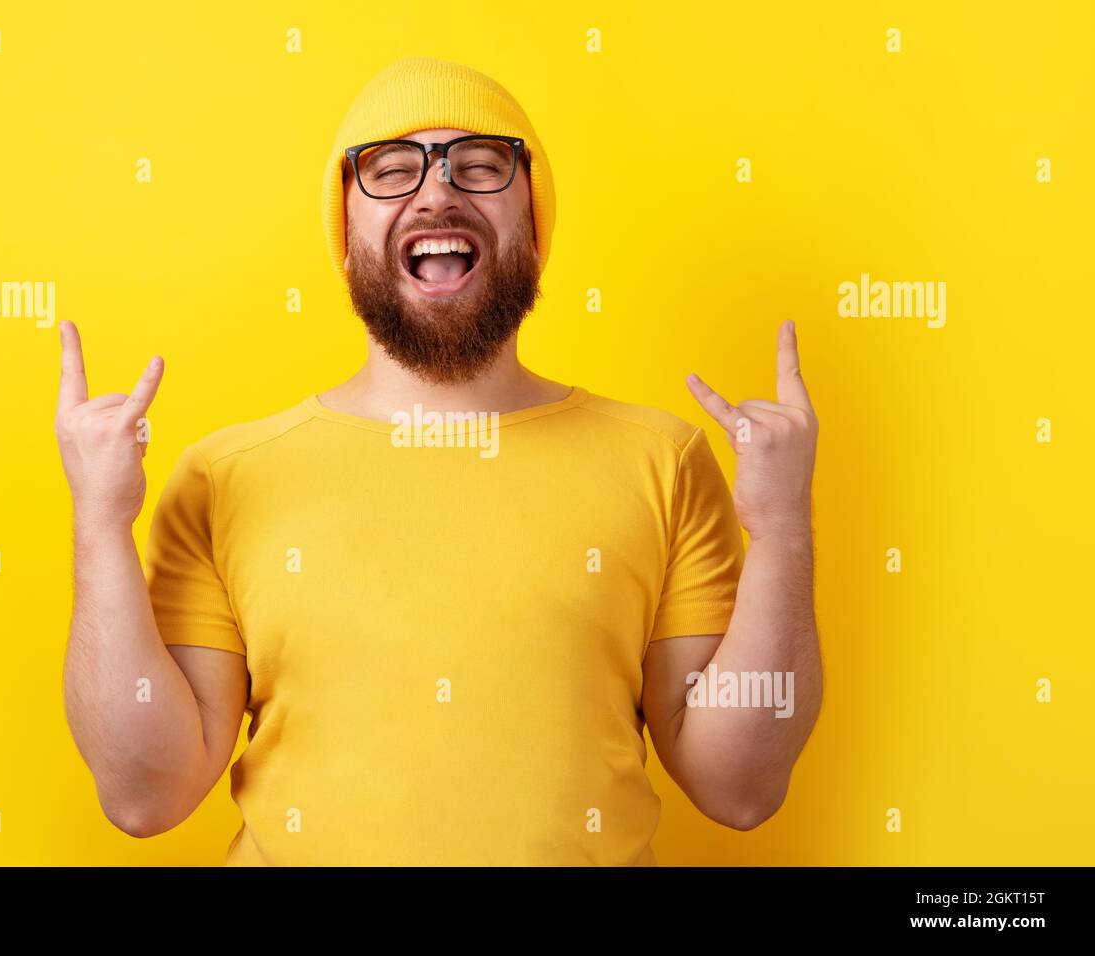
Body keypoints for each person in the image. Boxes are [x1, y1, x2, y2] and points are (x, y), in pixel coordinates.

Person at [56, 57, 822, 866]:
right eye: (390, 169)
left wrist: (782, 530)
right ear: (345, 236)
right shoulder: (223, 479)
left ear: (533, 221)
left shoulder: (662, 462)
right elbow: (145, 796)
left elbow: (741, 787)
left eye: (482, 166)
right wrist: (99, 523)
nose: (436, 192)